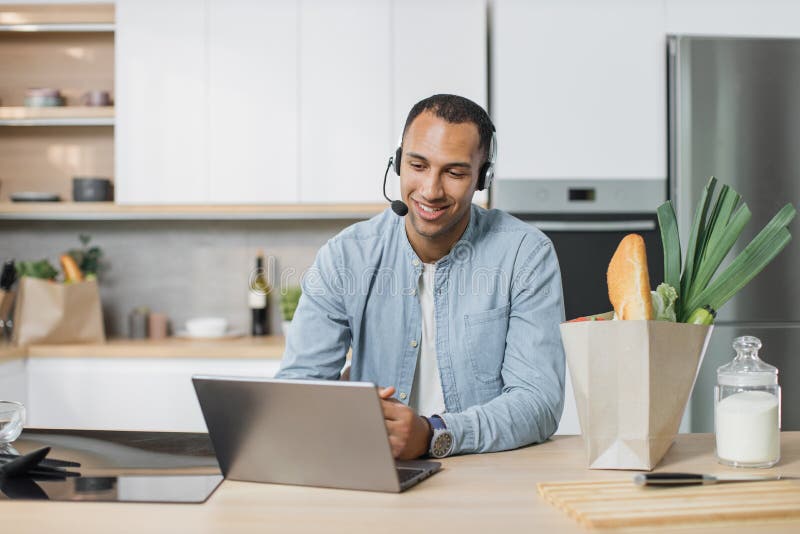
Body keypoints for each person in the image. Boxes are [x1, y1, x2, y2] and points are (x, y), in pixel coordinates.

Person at [277, 94, 565, 460]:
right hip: (375, 467)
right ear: (398, 163)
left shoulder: (525, 254)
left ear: (482, 178)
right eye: (418, 165)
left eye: (455, 172)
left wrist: (433, 434)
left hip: (487, 473)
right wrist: (341, 406)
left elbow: (538, 403)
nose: (431, 190)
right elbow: (296, 393)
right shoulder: (346, 256)